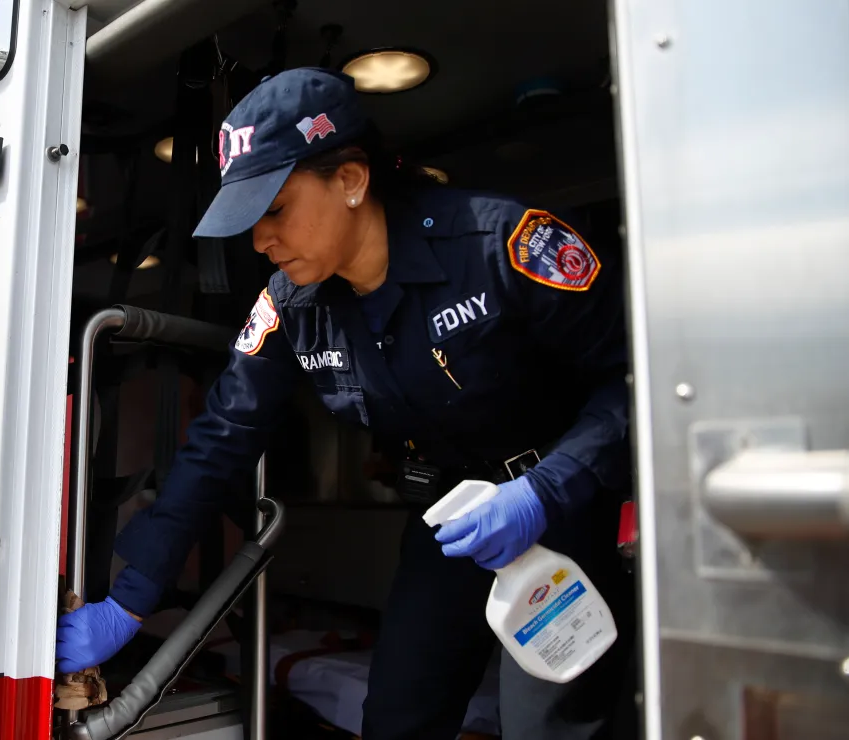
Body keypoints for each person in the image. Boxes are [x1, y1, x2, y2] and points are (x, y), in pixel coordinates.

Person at [56, 67, 635, 739]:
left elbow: (632, 381)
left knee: (548, 727)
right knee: (395, 716)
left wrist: (545, 491)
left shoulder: (499, 244)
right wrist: (130, 600)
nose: (259, 240)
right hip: (448, 525)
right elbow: (223, 436)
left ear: (352, 181)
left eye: (274, 210)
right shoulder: (293, 305)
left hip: (556, 509)